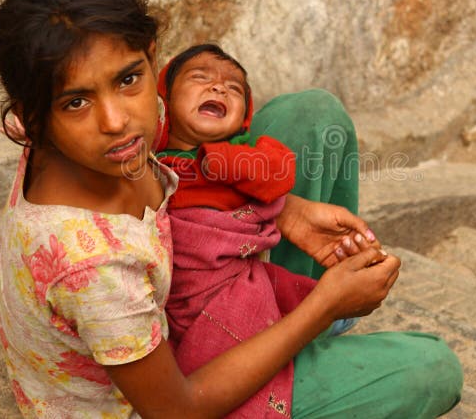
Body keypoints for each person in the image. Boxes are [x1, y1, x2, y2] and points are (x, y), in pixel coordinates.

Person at [0, 0, 463, 418]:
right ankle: (307, 323)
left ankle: (293, 318)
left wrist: (286, 211)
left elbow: (176, 164)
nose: (116, 121)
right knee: (431, 370)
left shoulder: (92, 140)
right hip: (168, 392)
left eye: (128, 79)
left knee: (313, 117)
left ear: (154, 58)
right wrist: (323, 309)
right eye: (76, 101)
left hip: (193, 283)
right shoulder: (93, 269)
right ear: (31, 118)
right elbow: (177, 410)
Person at [155, 44, 369, 416]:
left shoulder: (241, 154)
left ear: (243, 123)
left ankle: (329, 310)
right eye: (200, 78)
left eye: (234, 89)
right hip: (185, 303)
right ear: (164, 101)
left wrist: (222, 157)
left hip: (238, 276)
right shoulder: (148, 160)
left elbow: (278, 171)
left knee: (283, 290)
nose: (219, 88)